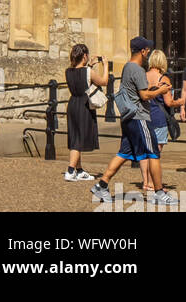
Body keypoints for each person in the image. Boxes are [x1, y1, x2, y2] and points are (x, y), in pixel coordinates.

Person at [91, 37, 172, 205]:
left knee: (124, 153)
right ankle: (158, 192)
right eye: (147, 50)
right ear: (142, 51)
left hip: (129, 118)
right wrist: (162, 90)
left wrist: (153, 90)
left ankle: (102, 184)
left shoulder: (128, 67)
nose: (148, 53)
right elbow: (144, 96)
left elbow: (139, 90)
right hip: (139, 117)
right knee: (153, 153)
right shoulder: (137, 69)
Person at [64, 43, 107, 181]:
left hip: (73, 104)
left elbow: (81, 76)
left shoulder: (68, 71)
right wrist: (105, 65)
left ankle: (79, 170)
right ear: (84, 56)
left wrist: (90, 65)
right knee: (79, 139)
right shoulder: (88, 72)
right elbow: (104, 81)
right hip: (84, 105)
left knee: (75, 136)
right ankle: (70, 170)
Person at [143, 49, 179, 192]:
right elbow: (169, 102)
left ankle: (146, 181)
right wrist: (180, 102)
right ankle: (153, 183)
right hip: (158, 118)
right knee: (155, 153)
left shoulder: (144, 76)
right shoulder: (164, 79)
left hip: (145, 117)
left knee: (146, 152)